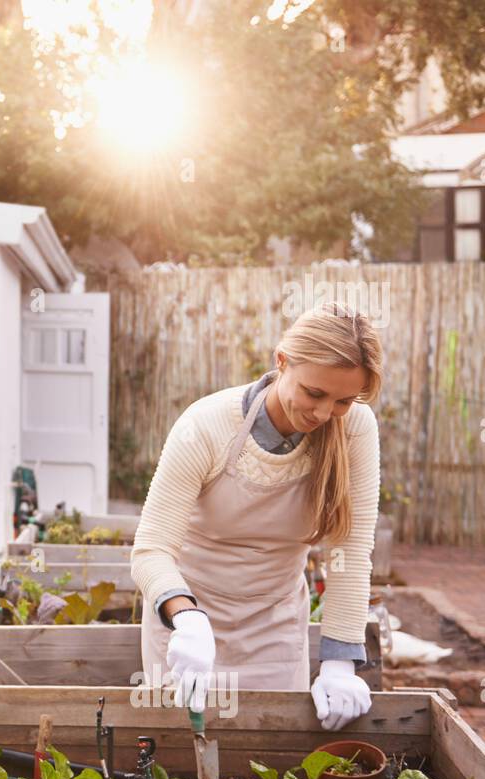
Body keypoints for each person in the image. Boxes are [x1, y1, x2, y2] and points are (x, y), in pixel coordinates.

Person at [130, 301, 382, 731]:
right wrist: (186, 618)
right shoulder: (207, 425)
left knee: (267, 765)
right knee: (182, 770)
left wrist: (340, 660)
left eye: (343, 400)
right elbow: (152, 549)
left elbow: (350, 552)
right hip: (188, 625)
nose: (323, 414)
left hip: (275, 627)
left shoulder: (356, 429)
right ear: (282, 361)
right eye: (314, 393)